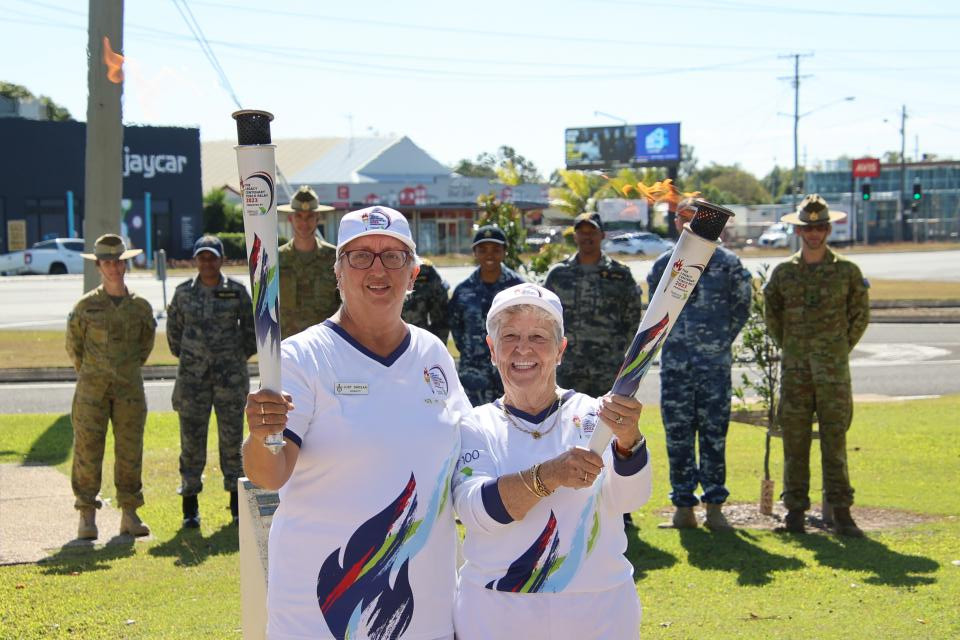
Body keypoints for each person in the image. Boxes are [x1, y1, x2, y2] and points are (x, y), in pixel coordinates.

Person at [243, 206, 470, 640]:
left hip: (426, 618)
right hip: (323, 619)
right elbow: (269, 474)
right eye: (360, 255)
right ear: (339, 272)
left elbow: (464, 464)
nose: (377, 268)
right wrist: (261, 435)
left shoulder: (433, 354)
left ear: (414, 273)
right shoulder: (300, 357)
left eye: (393, 256)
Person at [452, 283, 652, 640]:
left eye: (539, 337)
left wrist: (627, 441)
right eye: (509, 335)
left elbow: (630, 500)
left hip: (598, 607)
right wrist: (548, 475)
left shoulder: (597, 416)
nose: (523, 349)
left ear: (561, 350)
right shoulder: (474, 424)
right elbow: (476, 512)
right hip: (497, 610)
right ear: (491, 349)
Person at [764, 194, 870, 537]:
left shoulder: (847, 273)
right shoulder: (783, 274)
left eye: (820, 227)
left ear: (828, 229)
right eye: (808, 228)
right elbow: (773, 318)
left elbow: (859, 316)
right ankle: (794, 513)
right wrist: (795, 348)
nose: (814, 234)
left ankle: (841, 513)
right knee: (794, 443)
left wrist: (836, 349)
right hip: (795, 373)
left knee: (834, 442)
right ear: (799, 231)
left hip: (833, 374)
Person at [647, 200, 752, 530]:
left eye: (698, 219)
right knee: (677, 437)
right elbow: (655, 313)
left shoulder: (729, 265)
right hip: (676, 367)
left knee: (713, 437)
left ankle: (715, 505)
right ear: (678, 223)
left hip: (713, 368)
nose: (690, 225)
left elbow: (742, 308)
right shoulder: (664, 265)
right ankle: (683, 507)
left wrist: (717, 342)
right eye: (684, 219)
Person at [67, 234, 156, 540]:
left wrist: (124, 370)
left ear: (125, 263)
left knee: (130, 451)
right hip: (92, 392)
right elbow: (74, 348)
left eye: (119, 261)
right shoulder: (85, 307)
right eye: (108, 263)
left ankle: (129, 514)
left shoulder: (140, 307)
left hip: (129, 390)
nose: (115, 268)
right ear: (98, 267)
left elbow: (145, 346)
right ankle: (87, 516)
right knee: (87, 452)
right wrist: (96, 373)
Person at [166, 236, 257, 529]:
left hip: (229, 380)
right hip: (192, 381)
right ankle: (190, 507)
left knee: (232, 442)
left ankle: (235, 505)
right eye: (202, 257)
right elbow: (174, 336)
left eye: (212, 257)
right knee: (191, 443)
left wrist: (231, 357)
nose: (207, 262)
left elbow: (252, 333)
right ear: (196, 259)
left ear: (221, 259)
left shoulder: (237, 292)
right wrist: (196, 357)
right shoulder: (182, 294)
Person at [545, 212, 643, 399]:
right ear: (575, 236)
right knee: (566, 422)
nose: (587, 236)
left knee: (606, 423)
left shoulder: (619, 274)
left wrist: (617, 350)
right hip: (568, 366)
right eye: (581, 232)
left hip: (607, 368)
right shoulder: (558, 274)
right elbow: (545, 317)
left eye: (592, 231)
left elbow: (632, 318)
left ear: (602, 235)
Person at [450, 225, 525, 406]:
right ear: (475, 253)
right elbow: (457, 330)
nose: (489, 255)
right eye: (482, 250)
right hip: (474, 376)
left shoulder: (519, 289)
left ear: (504, 252)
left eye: (496, 250)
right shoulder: (463, 290)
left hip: (511, 373)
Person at [278, 185, 338, 340]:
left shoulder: (334, 258)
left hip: (324, 346)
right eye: (299, 216)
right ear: (291, 218)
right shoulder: (275, 259)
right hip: (287, 347)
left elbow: (347, 305)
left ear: (318, 218)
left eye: (310, 216)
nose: (304, 222)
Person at [401, 257, 450, 343]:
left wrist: (436, 348)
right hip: (381, 345)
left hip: (419, 343)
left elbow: (440, 319)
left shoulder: (425, 269)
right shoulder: (376, 265)